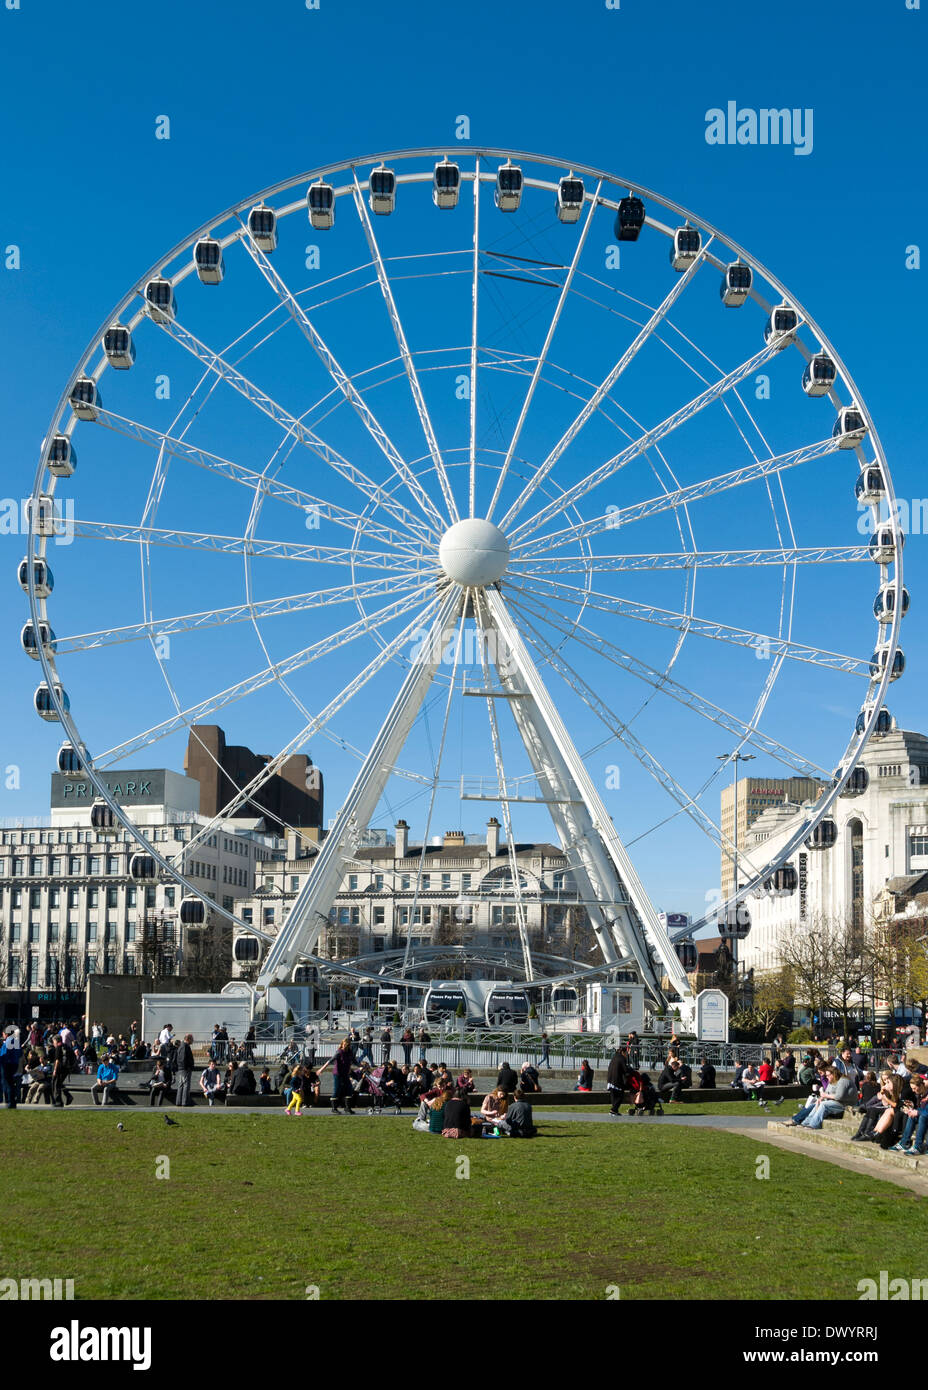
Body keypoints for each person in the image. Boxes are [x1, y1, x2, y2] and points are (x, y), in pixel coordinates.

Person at [786, 1066, 855, 1129]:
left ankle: (814, 1124)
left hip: (845, 1105)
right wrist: (820, 1099)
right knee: (817, 1103)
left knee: (824, 1104)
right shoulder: (833, 1081)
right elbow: (827, 1092)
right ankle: (806, 1122)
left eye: (828, 1075)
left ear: (833, 1074)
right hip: (836, 1103)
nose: (827, 1077)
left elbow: (839, 1096)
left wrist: (825, 1096)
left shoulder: (843, 1081)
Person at [330, 1039, 357, 1115]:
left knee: (349, 1089)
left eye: (347, 1044)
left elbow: (354, 1061)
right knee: (337, 1090)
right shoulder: (339, 1052)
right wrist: (321, 1069)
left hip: (345, 1073)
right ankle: (334, 1108)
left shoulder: (349, 1052)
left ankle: (347, 1108)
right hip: (337, 1073)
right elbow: (330, 1060)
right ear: (342, 1044)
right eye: (344, 1044)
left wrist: (361, 1066)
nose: (345, 1045)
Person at [0, 1028, 22, 1110]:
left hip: (7, 1064)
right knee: (11, 1083)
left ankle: (10, 1101)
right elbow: (20, 1053)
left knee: (8, 1083)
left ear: (5, 1034)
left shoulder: (7, 1042)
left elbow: (4, 1054)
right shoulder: (16, 1041)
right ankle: (13, 1101)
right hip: (15, 1064)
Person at [173, 1034, 195, 1108]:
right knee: (185, 1085)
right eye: (192, 1039)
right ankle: (185, 1101)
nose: (193, 1040)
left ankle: (179, 1101)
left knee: (181, 1085)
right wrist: (187, 1067)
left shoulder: (181, 1046)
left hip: (182, 1068)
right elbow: (183, 1058)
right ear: (188, 1039)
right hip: (185, 1069)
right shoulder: (185, 1046)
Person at [607, 1048, 629, 1116]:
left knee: (613, 1096)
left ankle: (615, 1111)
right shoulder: (622, 1059)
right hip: (616, 1080)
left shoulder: (614, 1057)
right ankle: (613, 1110)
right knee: (620, 1096)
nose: (626, 1055)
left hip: (610, 1080)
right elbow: (625, 1070)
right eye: (626, 1053)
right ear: (623, 1052)